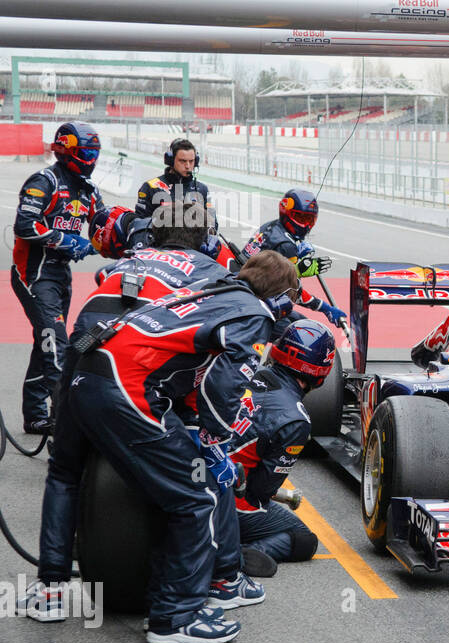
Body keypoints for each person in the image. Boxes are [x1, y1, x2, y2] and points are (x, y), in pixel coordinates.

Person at [62, 251, 299, 643]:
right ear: (280, 297)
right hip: (126, 390)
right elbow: (220, 387)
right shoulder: (254, 314)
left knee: (199, 476)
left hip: (95, 379)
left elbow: (188, 369)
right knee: (196, 495)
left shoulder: (209, 290)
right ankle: (173, 618)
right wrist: (216, 440)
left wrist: (201, 437)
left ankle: (218, 581)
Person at [19, 203, 239, 623]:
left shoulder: (131, 257)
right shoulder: (210, 269)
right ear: (207, 239)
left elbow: (105, 279)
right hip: (132, 366)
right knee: (189, 482)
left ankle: (49, 589)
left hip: (82, 349)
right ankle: (198, 591)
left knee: (63, 471)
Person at [11, 121, 104, 434]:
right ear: (67, 150)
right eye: (85, 152)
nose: (91, 159)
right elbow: (24, 225)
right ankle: (66, 427)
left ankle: (35, 416)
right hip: (34, 274)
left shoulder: (88, 188)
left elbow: (105, 223)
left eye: (95, 152)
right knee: (57, 346)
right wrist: (66, 240)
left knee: (46, 344)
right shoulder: (44, 180)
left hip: (59, 275)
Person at [230, 321, 334, 577]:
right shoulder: (295, 420)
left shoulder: (241, 370)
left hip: (188, 472)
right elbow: (259, 491)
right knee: (303, 539)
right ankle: (234, 556)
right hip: (224, 498)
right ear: (320, 370)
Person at [241, 188, 346, 331]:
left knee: (303, 322)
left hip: (248, 289)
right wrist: (325, 308)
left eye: (309, 219)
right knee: (302, 334)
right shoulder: (286, 245)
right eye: (301, 218)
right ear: (286, 212)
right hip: (257, 304)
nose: (306, 225)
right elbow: (293, 291)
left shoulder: (270, 226)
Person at [136, 137, 217, 232]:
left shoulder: (202, 189)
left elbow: (213, 225)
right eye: (182, 161)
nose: (187, 166)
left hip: (194, 245)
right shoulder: (151, 187)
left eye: (191, 161)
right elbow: (140, 223)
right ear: (170, 160)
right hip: (161, 244)